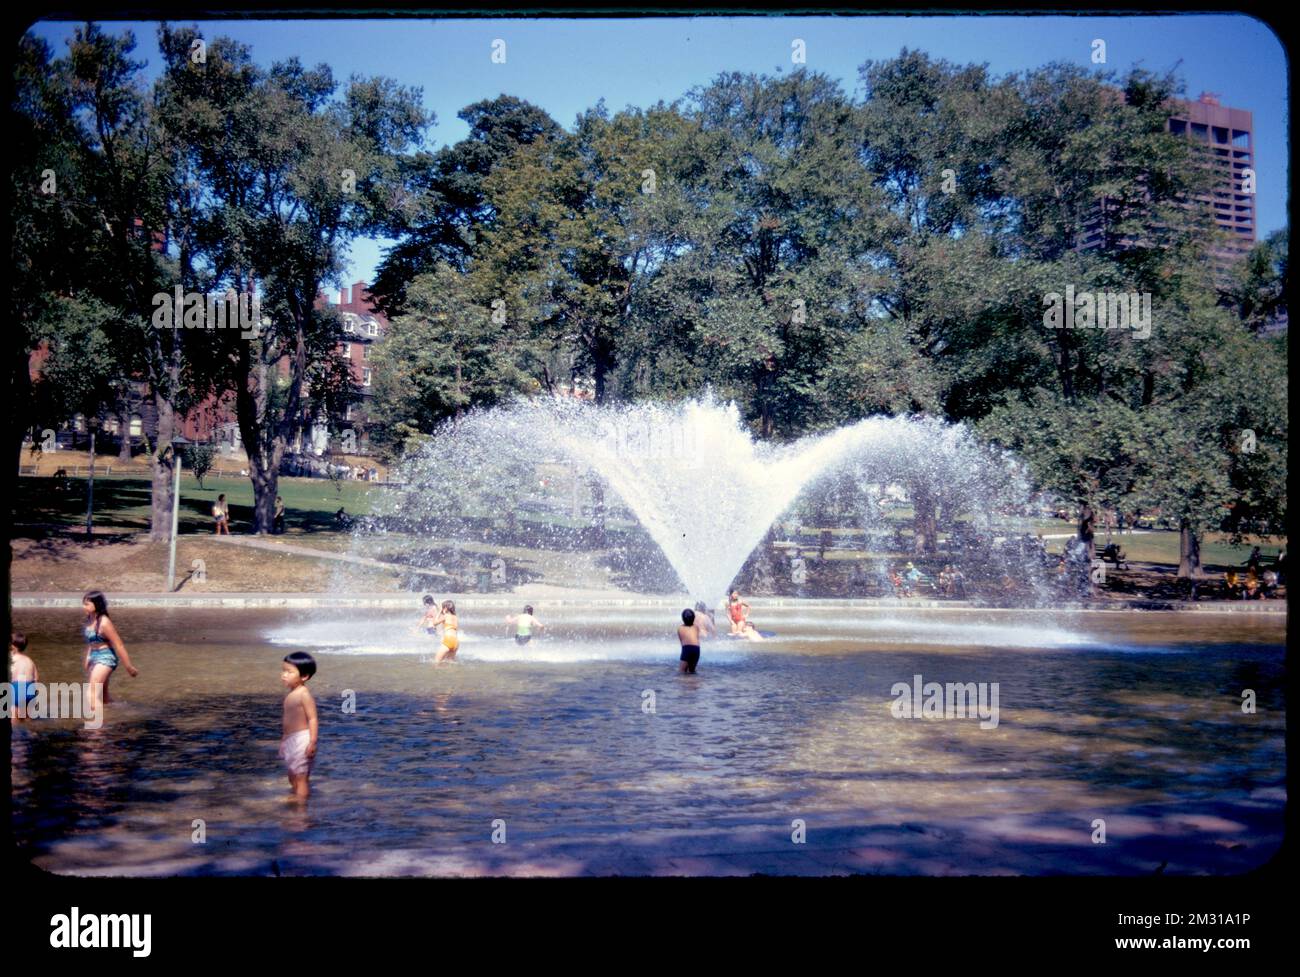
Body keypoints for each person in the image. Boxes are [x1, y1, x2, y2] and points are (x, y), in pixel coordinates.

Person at [81, 591, 139, 718]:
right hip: (95, 657)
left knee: (91, 694)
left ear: (96, 604)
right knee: (104, 697)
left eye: (86, 604)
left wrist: (129, 667)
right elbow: (91, 642)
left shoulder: (104, 622)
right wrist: (88, 658)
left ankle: (99, 728)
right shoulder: (90, 618)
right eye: (83, 604)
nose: (83, 607)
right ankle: (128, 712)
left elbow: (119, 645)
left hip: (106, 657)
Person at [279, 652, 318, 800]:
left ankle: (301, 812)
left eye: (289, 672)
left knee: (300, 777)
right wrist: (284, 740)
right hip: (291, 739)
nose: (284, 675)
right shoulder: (291, 693)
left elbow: (313, 719)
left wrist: (312, 742)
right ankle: (297, 799)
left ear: (304, 676)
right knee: (292, 775)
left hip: (302, 739)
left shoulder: (304, 694)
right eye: (283, 670)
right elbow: (287, 720)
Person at [10, 630, 39, 723]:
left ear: (12, 646)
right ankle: (32, 735)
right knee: (27, 721)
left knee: (13, 723)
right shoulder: (29, 661)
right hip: (30, 689)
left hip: (17, 689)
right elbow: (36, 679)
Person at [678, 608, 701, 673]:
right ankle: (694, 682)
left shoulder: (680, 628)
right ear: (693, 618)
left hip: (686, 649)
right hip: (696, 649)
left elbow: (681, 642)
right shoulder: (696, 627)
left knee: (682, 671)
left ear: (683, 619)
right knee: (692, 670)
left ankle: (683, 682)